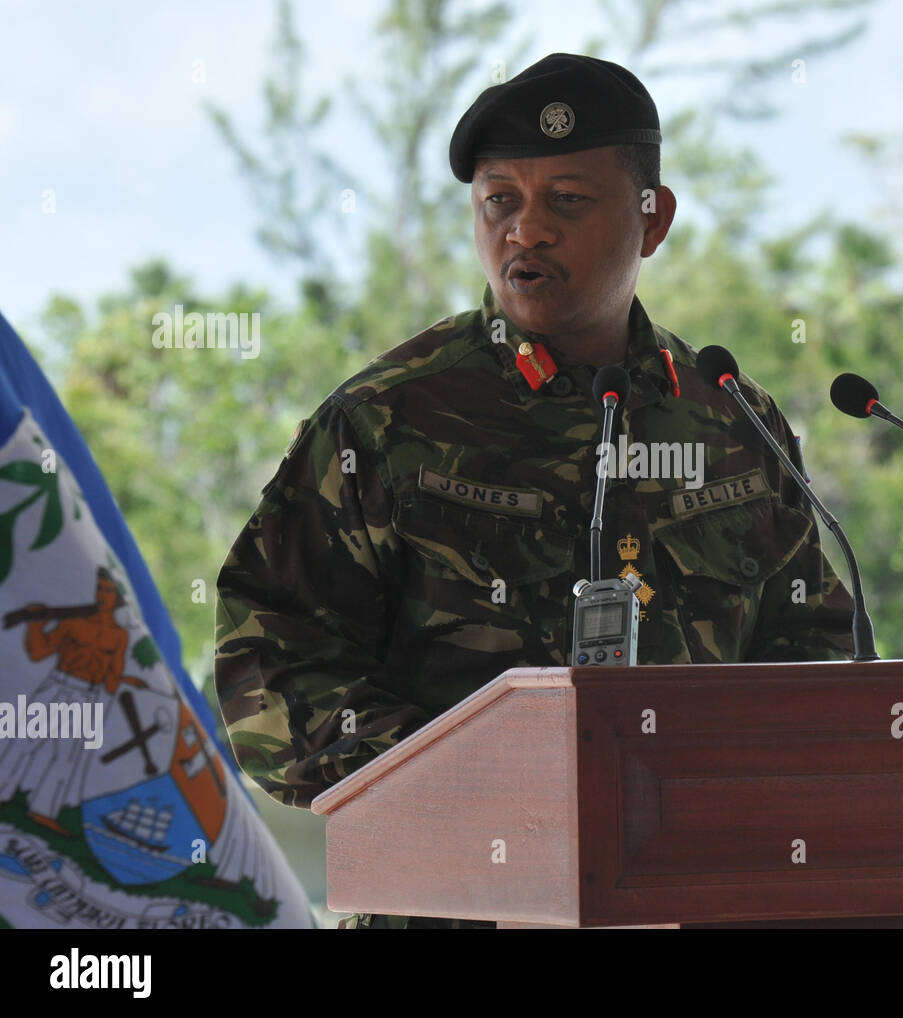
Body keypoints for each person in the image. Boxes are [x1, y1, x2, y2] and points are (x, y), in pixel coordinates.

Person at [214, 53, 855, 928]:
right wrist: (466, 783)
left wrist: (723, 789)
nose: (526, 231)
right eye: (499, 202)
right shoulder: (388, 420)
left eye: (567, 201)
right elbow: (270, 661)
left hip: (690, 897)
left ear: (652, 217)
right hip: (450, 905)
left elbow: (817, 647)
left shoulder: (730, 420)